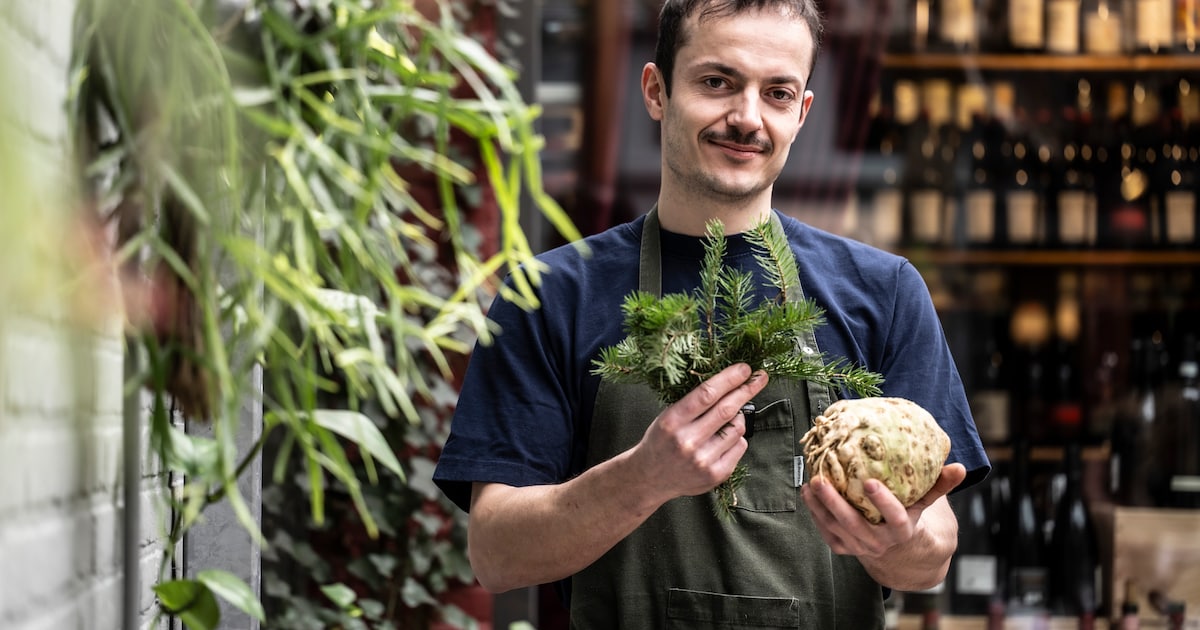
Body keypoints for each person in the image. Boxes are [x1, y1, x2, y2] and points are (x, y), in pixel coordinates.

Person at [433, 0, 991, 627]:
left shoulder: (884, 291)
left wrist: (898, 542)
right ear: (656, 91)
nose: (746, 118)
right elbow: (496, 553)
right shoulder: (549, 295)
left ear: (802, 113)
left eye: (777, 93)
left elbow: (933, 554)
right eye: (717, 82)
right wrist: (643, 478)